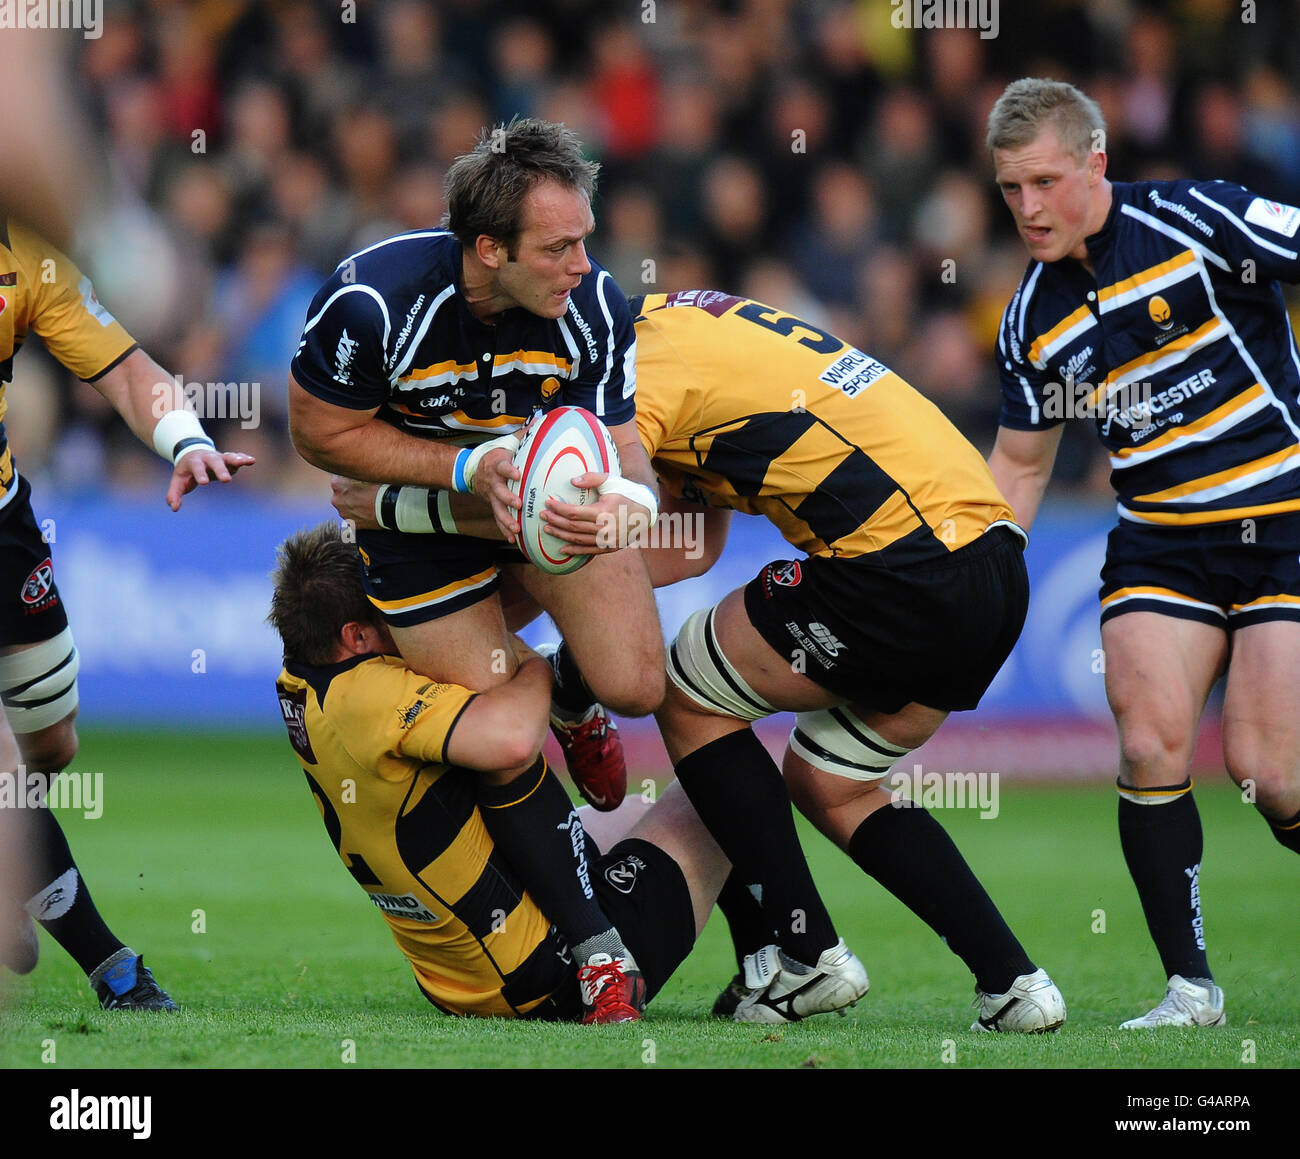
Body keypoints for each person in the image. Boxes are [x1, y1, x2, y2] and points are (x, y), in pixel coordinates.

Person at [337, 289, 1067, 1031]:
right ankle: (1014, 982)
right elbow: (694, 544)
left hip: (901, 563)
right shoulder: (684, 333)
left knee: (682, 692)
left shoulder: (623, 374)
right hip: (996, 567)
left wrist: (391, 506)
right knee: (834, 783)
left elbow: (549, 506)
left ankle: (808, 952)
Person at [287, 118, 665, 1015]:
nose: (584, 263)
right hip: (428, 528)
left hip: (539, 509)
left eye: (586, 238)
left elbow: (630, 457)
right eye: (560, 246)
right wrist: (463, 469)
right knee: (501, 736)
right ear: (489, 250)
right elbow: (318, 433)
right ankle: (597, 949)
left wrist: (627, 508)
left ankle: (571, 694)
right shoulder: (373, 302)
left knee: (639, 685)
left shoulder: (599, 306)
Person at [986, 77, 1300, 1029]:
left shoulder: (1203, 219)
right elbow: (1020, 466)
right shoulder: (1031, 316)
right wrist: (974, 574)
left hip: (1282, 520)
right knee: (1151, 737)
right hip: (1160, 540)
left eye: (1044, 181)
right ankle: (1190, 989)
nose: (1028, 208)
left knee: (1269, 768)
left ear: (1096, 162)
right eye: (1009, 189)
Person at [267, 521, 728, 1021]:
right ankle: (616, 952)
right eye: (392, 611)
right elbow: (512, 740)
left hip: (459, 982)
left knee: (637, 809)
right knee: (716, 789)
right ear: (355, 637)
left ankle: (748, 965)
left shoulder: (299, 681)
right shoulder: (370, 694)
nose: (407, 617)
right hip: (543, 979)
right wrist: (538, 669)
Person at [1, 217, 255, 1008]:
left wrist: (184, 439)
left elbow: (124, 370)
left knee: (51, 743)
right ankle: (114, 968)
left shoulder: (26, 252)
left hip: (3, 519)